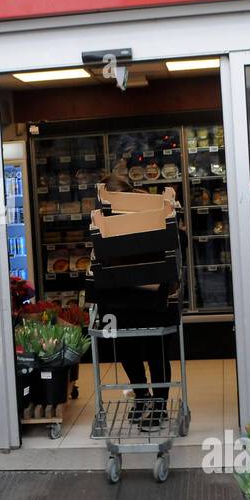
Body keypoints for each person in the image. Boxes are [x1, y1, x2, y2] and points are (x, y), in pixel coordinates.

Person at [94, 176, 178, 431]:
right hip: (121, 297)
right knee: (130, 349)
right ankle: (143, 398)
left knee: (154, 351)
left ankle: (159, 405)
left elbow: (175, 244)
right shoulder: (103, 218)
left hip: (151, 296)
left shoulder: (151, 208)